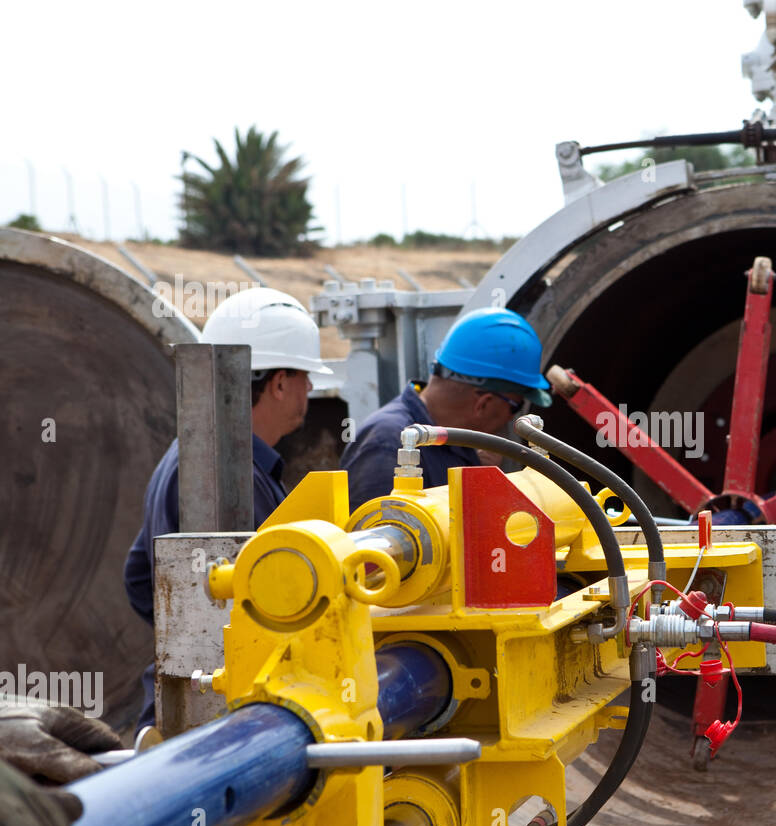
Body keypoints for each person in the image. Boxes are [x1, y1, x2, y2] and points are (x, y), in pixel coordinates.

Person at [124, 287, 333, 730]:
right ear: (278, 383)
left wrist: (181, 635)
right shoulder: (223, 472)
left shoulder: (190, 456)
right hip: (224, 713)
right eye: (303, 377)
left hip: (194, 703)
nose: (310, 388)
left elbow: (141, 579)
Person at [340, 307, 552, 512]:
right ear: (484, 404)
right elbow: (376, 541)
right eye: (514, 408)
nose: (511, 419)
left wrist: (482, 476)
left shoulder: (459, 445)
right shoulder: (388, 445)